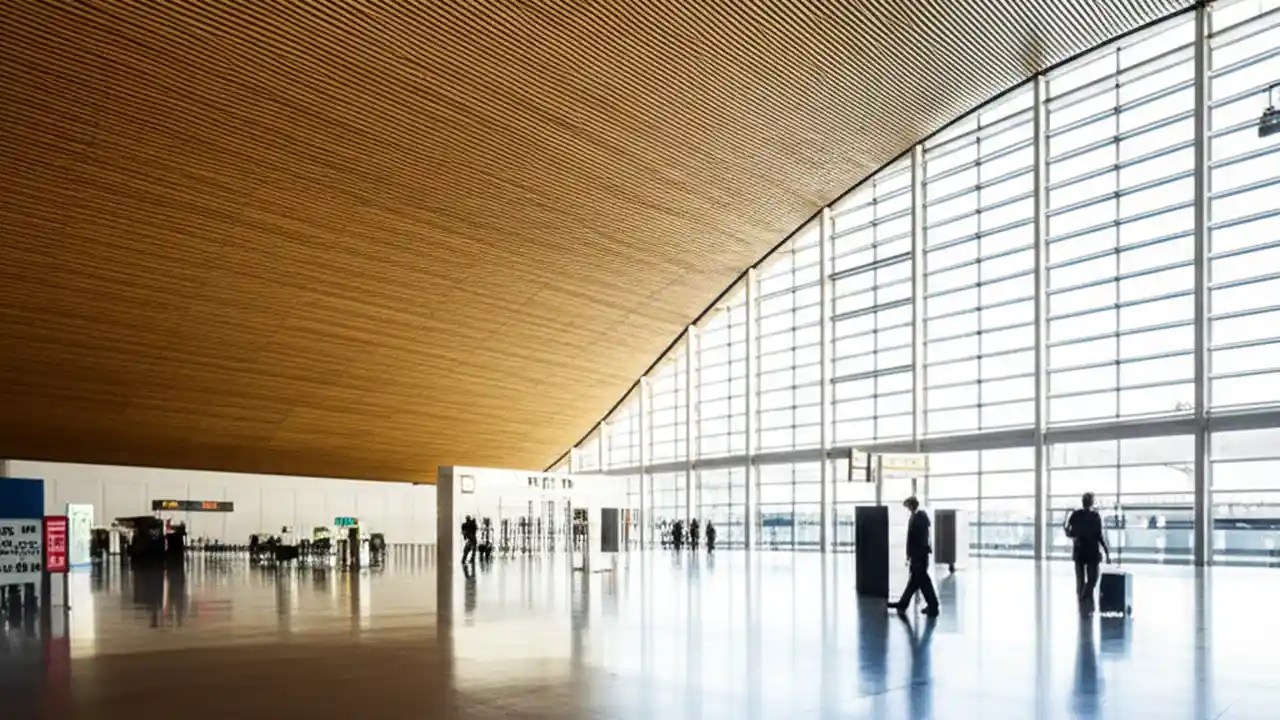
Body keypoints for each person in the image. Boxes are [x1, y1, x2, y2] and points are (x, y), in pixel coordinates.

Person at [888, 496, 939, 617]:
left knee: (924, 583)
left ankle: (933, 606)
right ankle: (903, 604)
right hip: (918, 555)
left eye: (908, 506)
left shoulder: (919, 518)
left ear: (912, 505)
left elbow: (919, 539)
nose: (908, 509)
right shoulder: (916, 517)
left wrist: (915, 556)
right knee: (914, 583)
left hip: (919, 556)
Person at [1064, 492, 1111, 613]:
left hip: (1079, 551)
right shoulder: (1095, 516)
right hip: (1092, 552)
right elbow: (1099, 536)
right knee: (1093, 579)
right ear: (1092, 502)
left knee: (1080, 579)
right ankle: (1085, 598)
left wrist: (1069, 532)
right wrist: (1106, 551)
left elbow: (1070, 533)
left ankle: (1082, 602)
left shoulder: (1075, 515)